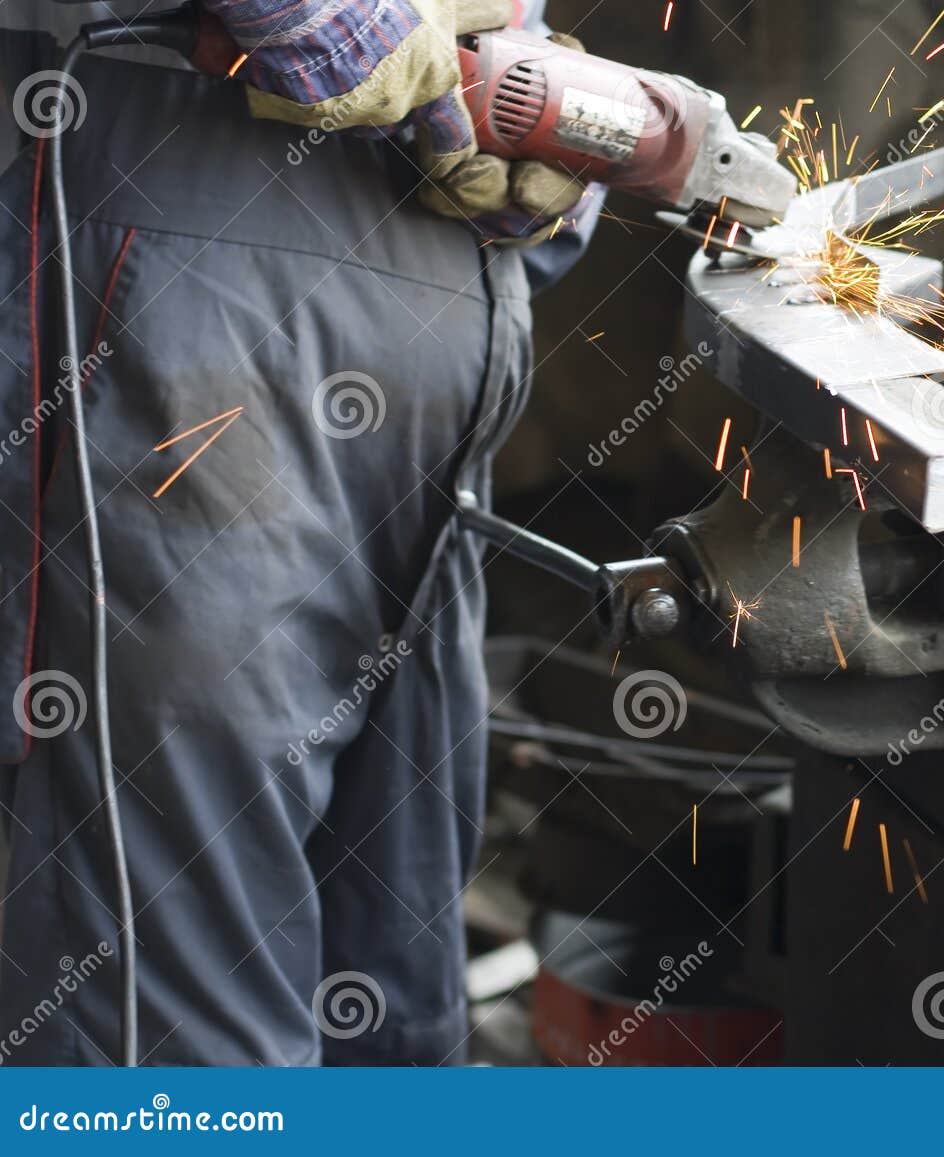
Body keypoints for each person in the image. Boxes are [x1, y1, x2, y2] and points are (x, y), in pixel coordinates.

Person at [0, 0, 600, 1064]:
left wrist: (527, 105)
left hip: (413, 277)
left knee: (376, 971)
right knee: (166, 1009)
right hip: (181, 235)